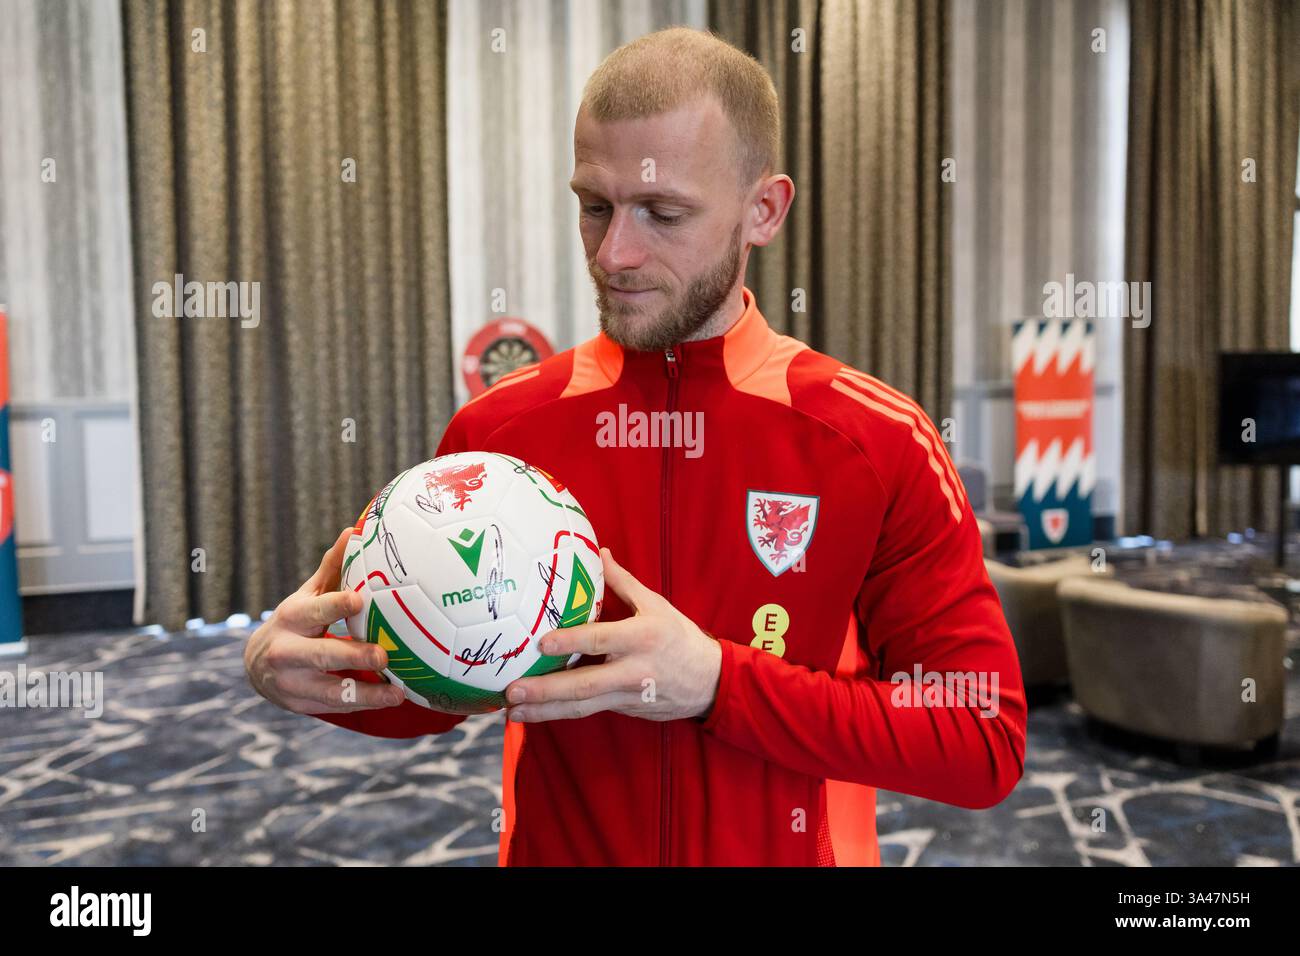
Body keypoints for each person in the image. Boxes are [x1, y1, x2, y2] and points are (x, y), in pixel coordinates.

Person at [245, 26, 1026, 866]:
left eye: (663, 212)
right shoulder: (500, 436)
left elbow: (978, 740)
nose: (615, 253)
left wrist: (718, 684)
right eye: (595, 205)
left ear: (763, 209)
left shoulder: (873, 439)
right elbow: (446, 690)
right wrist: (314, 673)